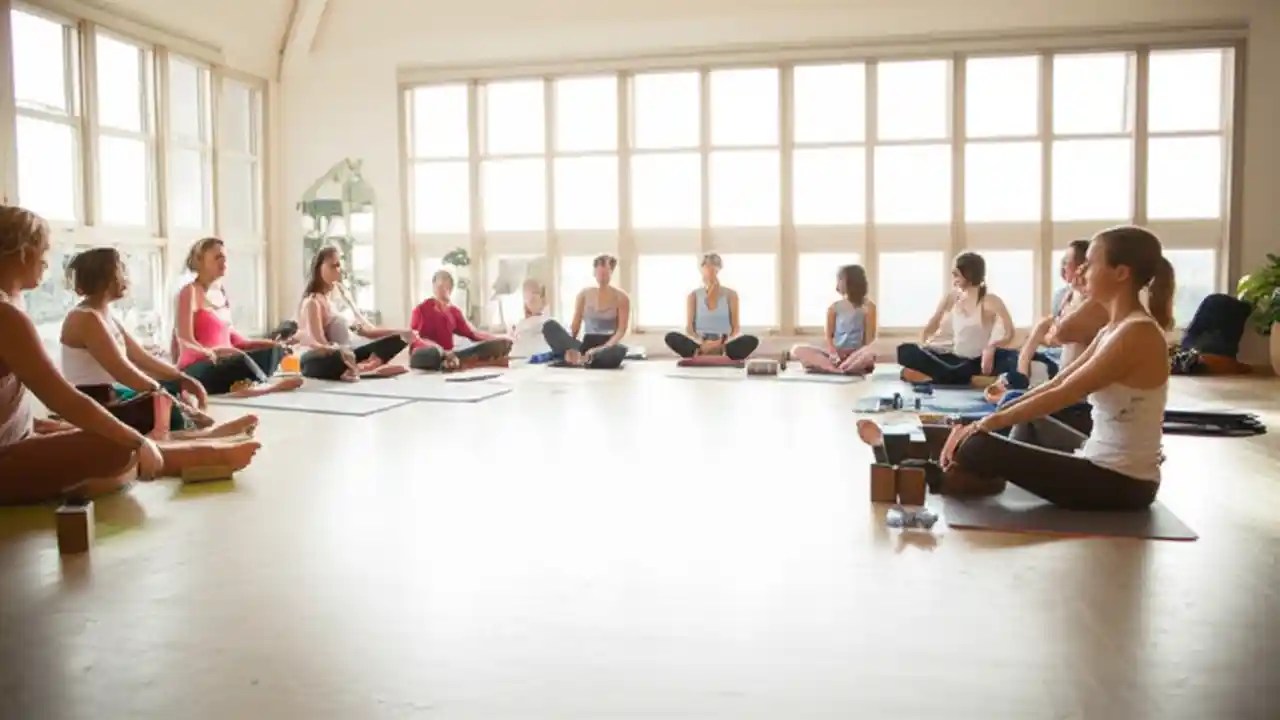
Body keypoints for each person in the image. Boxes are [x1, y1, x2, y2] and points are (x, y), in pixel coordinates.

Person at [0, 206, 261, 504]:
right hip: (11, 452)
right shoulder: (8, 316)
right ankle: (195, 454)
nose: (47, 262)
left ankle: (196, 447)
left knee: (112, 435)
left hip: (21, 440)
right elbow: (63, 398)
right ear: (22, 254)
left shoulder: (14, 309)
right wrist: (134, 439)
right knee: (119, 446)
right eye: (43, 252)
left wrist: (46, 426)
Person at [939, 226, 1176, 511]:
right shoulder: (1113, 328)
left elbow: (1064, 392)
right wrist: (987, 422)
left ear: (1121, 273)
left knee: (977, 445)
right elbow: (1055, 383)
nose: (1081, 271)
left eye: (1091, 262)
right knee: (1008, 423)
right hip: (1098, 457)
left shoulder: (1137, 333)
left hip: (1121, 483)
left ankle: (975, 471)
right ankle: (979, 472)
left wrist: (983, 425)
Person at [59, 247, 258, 438]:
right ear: (106, 278)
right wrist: (173, 401)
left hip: (111, 394)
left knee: (170, 390)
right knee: (163, 401)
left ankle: (191, 430)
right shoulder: (85, 319)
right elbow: (124, 371)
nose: (127, 278)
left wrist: (182, 378)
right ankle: (199, 436)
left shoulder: (105, 314)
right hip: (93, 402)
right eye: (122, 271)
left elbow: (141, 358)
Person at [173, 237, 301, 396]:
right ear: (200, 262)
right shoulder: (189, 292)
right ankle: (265, 386)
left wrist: (274, 344)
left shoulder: (221, 294)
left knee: (271, 352)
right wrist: (213, 352)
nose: (224, 262)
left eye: (225, 258)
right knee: (239, 361)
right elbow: (185, 340)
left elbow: (238, 341)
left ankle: (249, 383)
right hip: (199, 365)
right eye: (217, 257)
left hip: (227, 359)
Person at [994, 240, 1109, 392]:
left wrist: (1046, 332)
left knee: (1013, 396)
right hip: (1062, 371)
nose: (1062, 267)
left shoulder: (1097, 303)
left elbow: (1058, 335)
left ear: (1083, 266)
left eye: (1066, 262)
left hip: (1077, 379)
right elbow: (1050, 330)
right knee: (1012, 369)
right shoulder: (1065, 295)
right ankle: (1020, 380)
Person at [295, 246, 413, 381]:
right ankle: (363, 367)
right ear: (319, 268)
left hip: (351, 352)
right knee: (337, 357)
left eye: (339, 265)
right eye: (333, 266)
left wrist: (402, 331)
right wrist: (339, 351)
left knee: (399, 339)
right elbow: (317, 342)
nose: (337, 270)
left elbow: (367, 330)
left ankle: (361, 367)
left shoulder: (343, 295)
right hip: (326, 356)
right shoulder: (313, 302)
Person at [896, 252, 1015, 385]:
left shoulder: (989, 301)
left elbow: (1010, 332)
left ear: (968, 274)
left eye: (956, 274)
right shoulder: (952, 298)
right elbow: (931, 327)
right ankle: (963, 380)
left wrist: (991, 348)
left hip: (974, 362)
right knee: (904, 350)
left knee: (1010, 359)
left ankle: (943, 378)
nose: (954, 279)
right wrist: (925, 349)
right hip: (952, 358)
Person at [408, 269, 512, 371]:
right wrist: (439, 349)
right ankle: (450, 359)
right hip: (425, 354)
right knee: (435, 353)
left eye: (448, 287)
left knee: (485, 348)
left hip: (450, 354)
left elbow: (472, 334)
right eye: (441, 287)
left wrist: (497, 338)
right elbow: (415, 338)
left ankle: (452, 360)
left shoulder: (454, 312)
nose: (444, 290)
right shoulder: (420, 310)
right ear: (434, 287)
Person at [664, 253, 759, 360]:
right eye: (707, 268)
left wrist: (719, 343)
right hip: (700, 343)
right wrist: (704, 344)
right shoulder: (693, 295)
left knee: (751, 340)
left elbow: (735, 328)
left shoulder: (731, 295)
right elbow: (690, 328)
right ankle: (702, 352)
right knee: (671, 337)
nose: (711, 274)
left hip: (723, 342)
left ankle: (716, 353)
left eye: (713, 270)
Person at [540, 254, 630, 369]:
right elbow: (575, 325)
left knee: (619, 350)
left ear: (611, 273)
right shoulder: (584, 294)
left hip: (607, 347)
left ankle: (587, 360)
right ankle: (580, 358)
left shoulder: (621, 297)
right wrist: (569, 347)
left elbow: (621, 331)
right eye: (599, 273)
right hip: (585, 347)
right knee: (549, 326)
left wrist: (602, 348)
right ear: (594, 273)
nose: (602, 277)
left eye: (605, 274)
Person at [790, 264, 877, 375]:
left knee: (869, 355)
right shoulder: (834, 307)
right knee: (797, 349)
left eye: (841, 279)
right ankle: (838, 369)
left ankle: (840, 368)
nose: (838, 283)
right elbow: (829, 337)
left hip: (857, 355)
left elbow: (869, 341)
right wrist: (833, 354)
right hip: (836, 355)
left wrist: (857, 354)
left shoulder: (869, 307)